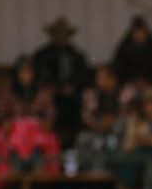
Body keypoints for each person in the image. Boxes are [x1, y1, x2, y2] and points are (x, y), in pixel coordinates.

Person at [32, 17, 89, 146]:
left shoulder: (77, 56)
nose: (60, 37)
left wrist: (73, 87)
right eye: (57, 34)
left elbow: (84, 78)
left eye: (64, 34)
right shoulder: (42, 55)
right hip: (51, 99)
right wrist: (53, 88)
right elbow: (38, 78)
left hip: (73, 101)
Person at [76, 65, 125, 172]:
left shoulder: (124, 92)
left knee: (115, 134)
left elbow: (126, 115)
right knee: (84, 139)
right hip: (96, 131)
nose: (98, 81)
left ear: (112, 79)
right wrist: (99, 124)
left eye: (102, 78)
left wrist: (110, 121)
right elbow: (86, 117)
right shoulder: (91, 93)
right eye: (97, 78)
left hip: (118, 134)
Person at [112, 16, 152, 88]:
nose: (139, 35)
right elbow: (118, 69)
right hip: (129, 85)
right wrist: (131, 81)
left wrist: (149, 81)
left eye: (141, 32)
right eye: (136, 32)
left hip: (150, 85)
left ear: (146, 32)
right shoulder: (123, 50)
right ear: (132, 33)